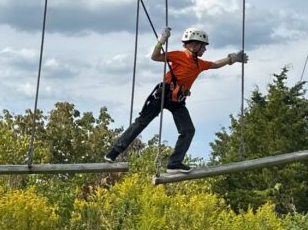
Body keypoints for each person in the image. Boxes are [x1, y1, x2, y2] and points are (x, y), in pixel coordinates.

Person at [105, 27, 248, 173]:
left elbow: (216, 64)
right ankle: (114, 152)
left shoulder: (199, 64)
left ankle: (174, 163)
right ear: (193, 45)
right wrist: (161, 40)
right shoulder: (179, 55)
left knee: (188, 130)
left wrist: (232, 59)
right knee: (141, 122)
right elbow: (155, 57)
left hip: (178, 100)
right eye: (203, 45)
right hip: (163, 95)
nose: (205, 48)